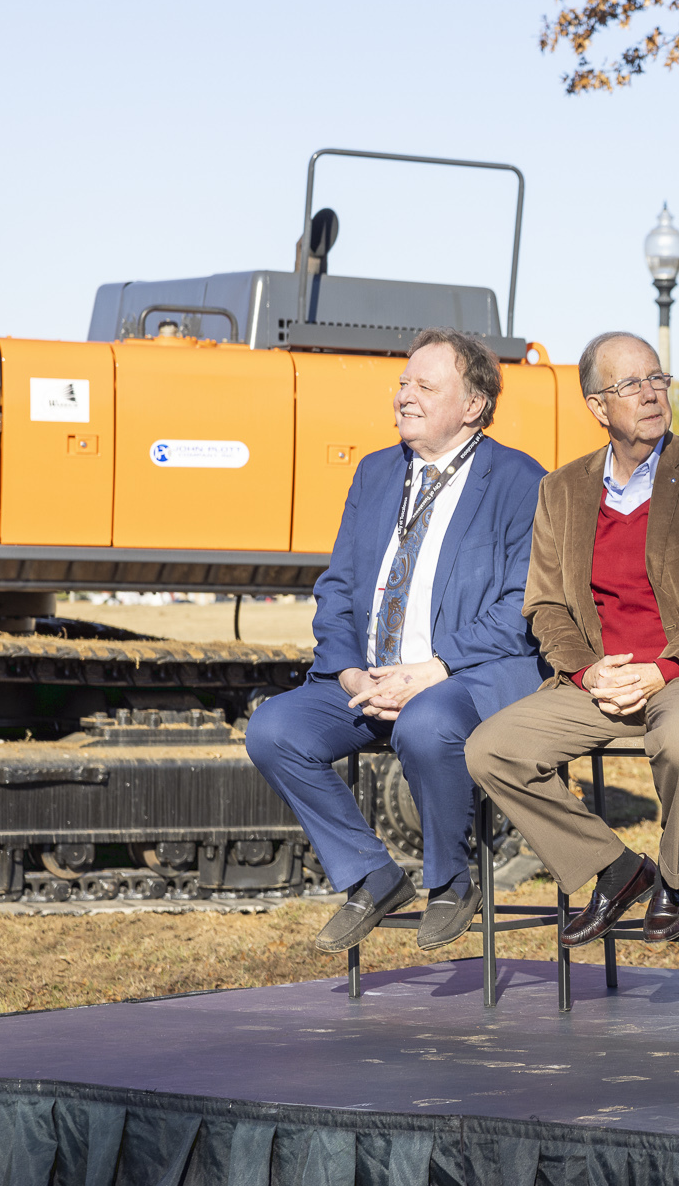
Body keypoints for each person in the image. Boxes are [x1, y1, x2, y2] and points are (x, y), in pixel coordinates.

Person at [465, 332, 679, 949]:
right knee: (490, 749)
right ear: (596, 406)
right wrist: (588, 671)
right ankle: (616, 870)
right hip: (602, 679)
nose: (649, 394)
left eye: (657, 379)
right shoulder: (561, 491)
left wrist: (667, 668)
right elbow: (547, 605)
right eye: (629, 384)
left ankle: (673, 877)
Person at [246, 329, 548, 953]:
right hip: (371, 678)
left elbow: (522, 604)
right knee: (273, 729)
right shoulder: (376, 473)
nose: (405, 397)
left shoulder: (520, 479)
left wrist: (433, 669)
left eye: (425, 386)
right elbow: (337, 587)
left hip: (465, 677)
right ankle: (371, 874)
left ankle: (450, 880)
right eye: (403, 384)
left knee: (425, 724)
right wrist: (350, 672)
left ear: (472, 405)